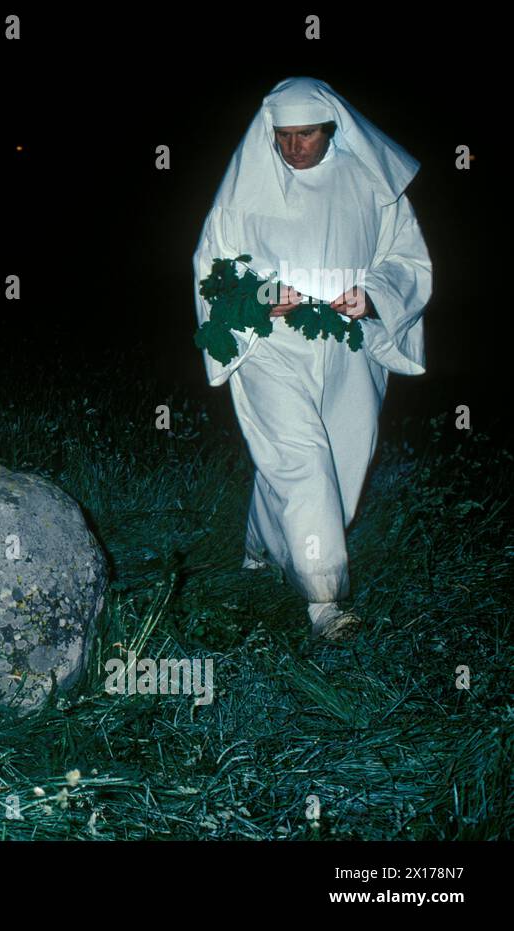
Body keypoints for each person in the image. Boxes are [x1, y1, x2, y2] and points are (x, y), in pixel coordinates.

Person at [191, 77, 432, 640]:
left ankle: (258, 551)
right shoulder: (246, 189)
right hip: (269, 346)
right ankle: (325, 602)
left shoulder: (371, 184)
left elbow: (407, 259)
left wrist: (373, 293)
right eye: (284, 137)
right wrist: (260, 297)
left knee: (342, 461)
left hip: (347, 347)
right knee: (301, 461)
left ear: (332, 130)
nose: (295, 148)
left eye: (307, 135)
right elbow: (212, 269)